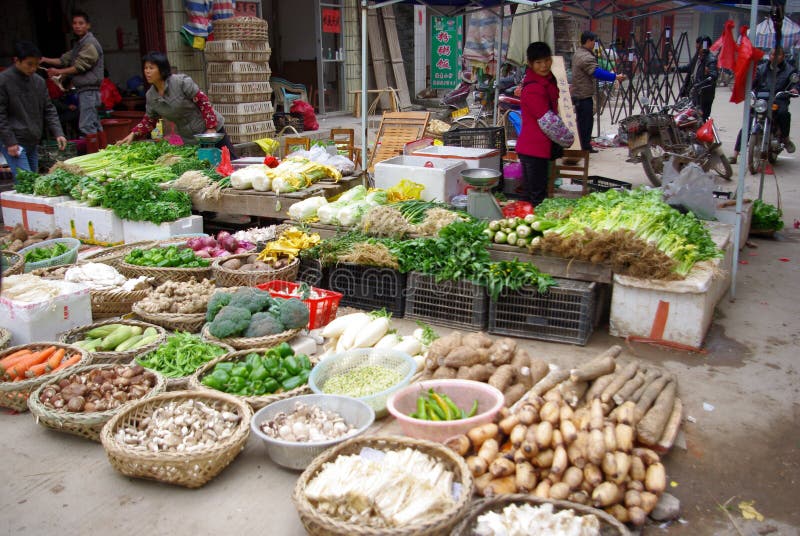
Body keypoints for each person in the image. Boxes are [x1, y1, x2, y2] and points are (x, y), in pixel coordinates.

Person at [117, 52, 236, 157]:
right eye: (145, 68)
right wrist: (133, 134)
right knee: (207, 170)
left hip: (212, 131)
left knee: (231, 162)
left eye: (151, 68)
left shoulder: (180, 82)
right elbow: (149, 120)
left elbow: (203, 101)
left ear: (161, 69)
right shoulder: (151, 96)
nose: (147, 71)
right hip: (190, 138)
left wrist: (211, 128)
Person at [0, 41, 67, 179]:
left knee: (34, 180)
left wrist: (58, 132)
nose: (33, 68)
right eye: (29, 64)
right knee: (27, 182)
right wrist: (10, 141)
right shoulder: (4, 80)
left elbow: (49, 108)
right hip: (15, 140)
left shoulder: (38, 81)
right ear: (16, 61)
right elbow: (1, 115)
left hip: (33, 138)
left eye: (36, 64)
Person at [729, 47, 799, 164]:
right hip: (761, 100)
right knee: (748, 122)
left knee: (784, 114)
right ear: (769, 56)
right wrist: (746, 86)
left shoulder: (790, 70)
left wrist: (795, 89)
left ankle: (785, 139)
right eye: (772, 55)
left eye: (778, 55)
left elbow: (796, 83)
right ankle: (735, 154)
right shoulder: (761, 69)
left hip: (779, 100)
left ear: (783, 56)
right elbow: (753, 81)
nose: (775, 57)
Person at [41, 10, 104, 136]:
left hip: (89, 91)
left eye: (81, 23)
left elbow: (80, 66)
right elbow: (64, 60)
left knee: (87, 126)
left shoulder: (89, 43)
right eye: (75, 23)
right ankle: (103, 151)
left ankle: (97, 153)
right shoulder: (80, 44)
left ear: (88, 25)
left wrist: (58, 72)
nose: (77, 26)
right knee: (94, 124)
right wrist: (44, 59)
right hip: (85, 91)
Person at [516, 42, 558, 207]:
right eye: (539, 62)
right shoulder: (534, 88)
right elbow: (546, 119)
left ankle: (525, 224)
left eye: (547, 60)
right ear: (530, 63)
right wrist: (567, 138)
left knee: (532, 193)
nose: (544, 65)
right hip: (534, 148)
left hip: (539, 147)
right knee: (536, 196)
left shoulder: (547, 81)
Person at [571, 31, 626, 153]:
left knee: (583, 121)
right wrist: (615, 77)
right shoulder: (585, 57)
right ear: (589, 41)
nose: (594, 44)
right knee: (586, 122)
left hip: (580, 92)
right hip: (583, 94)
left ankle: (583, 144)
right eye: (594, 42)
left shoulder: (578, 53)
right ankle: (585, 146)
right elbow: (596, 72)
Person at [679, 36, 718, 120]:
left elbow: (714, 75)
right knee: (689, 118)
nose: (698, 50)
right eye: (697, 48)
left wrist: (709, 73)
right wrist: (675, 68)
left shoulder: (710, 59)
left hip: (703, 96)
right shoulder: (697, 57)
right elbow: (689, 67)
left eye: (699, 48)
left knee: (701, 119)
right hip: (694, 94)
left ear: (706, 47)